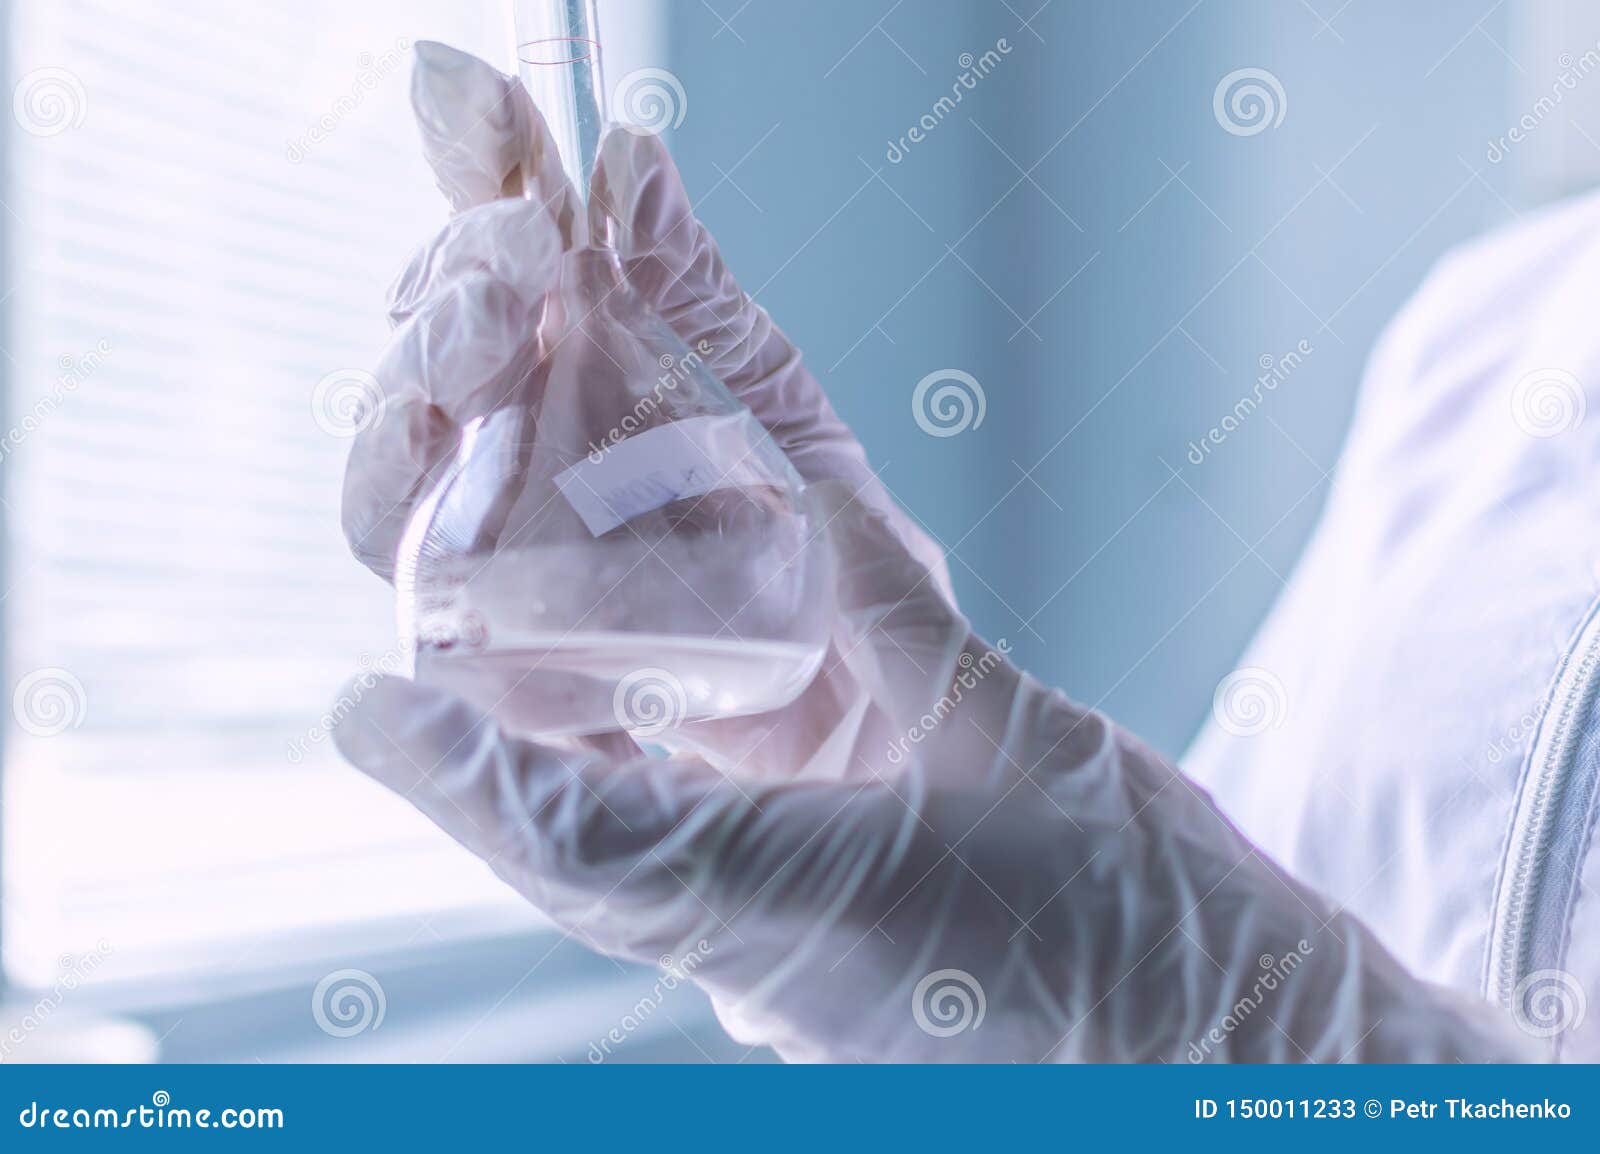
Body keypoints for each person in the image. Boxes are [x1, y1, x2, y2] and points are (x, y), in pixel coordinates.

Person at [333, 42, 1598, 1062]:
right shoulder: (1487, 334)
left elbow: (1211, 987)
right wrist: (873, 768)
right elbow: (1227, 906)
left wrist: (1234, 1041)